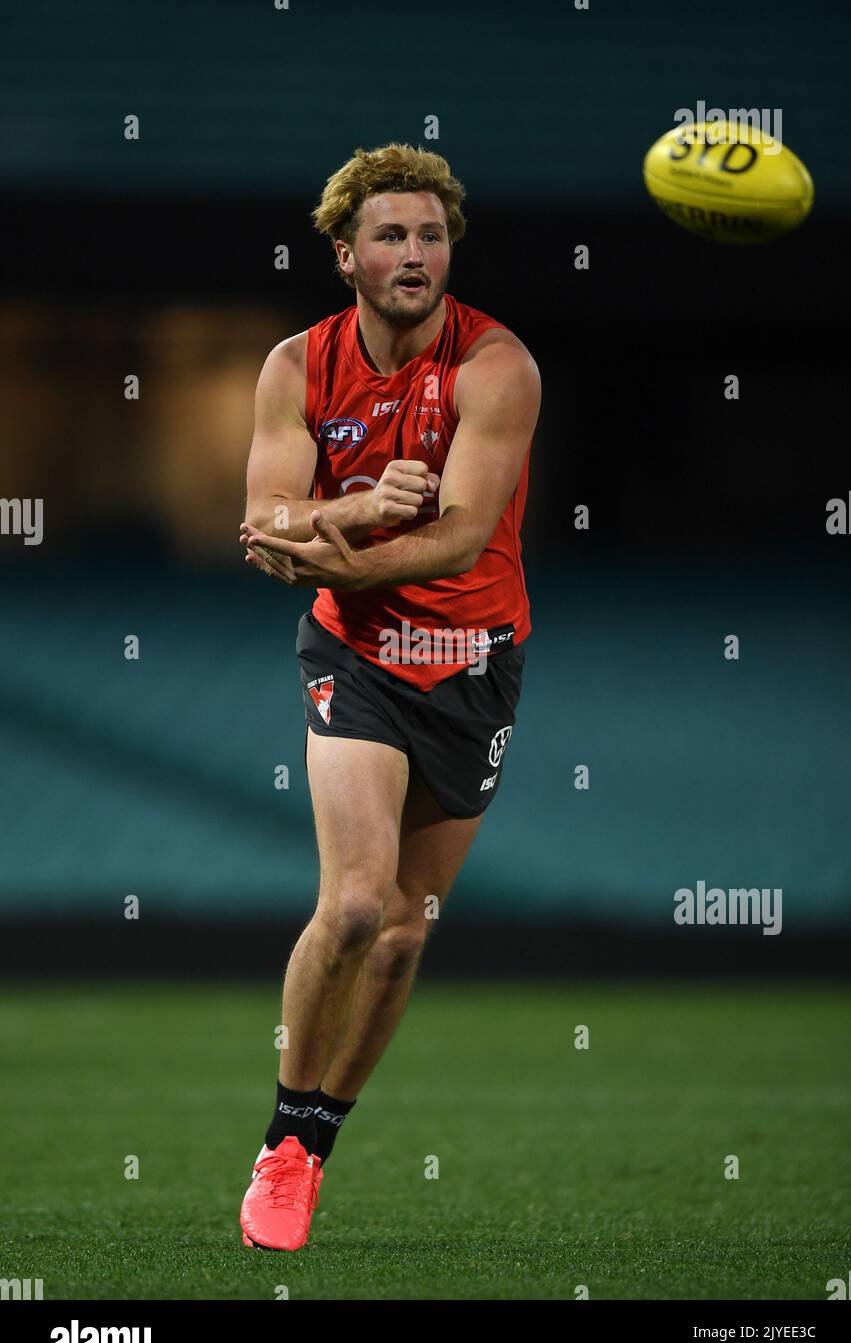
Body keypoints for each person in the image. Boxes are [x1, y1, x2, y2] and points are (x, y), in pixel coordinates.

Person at [238, 143, 540, 1251]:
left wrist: (328, 541)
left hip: (469, 661)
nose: (414, 253)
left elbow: (457, 532)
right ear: (343, 257)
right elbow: (262, 519)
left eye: (430, 235)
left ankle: (317, 1136)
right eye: (390, 236)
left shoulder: (495, 364)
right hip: (357, 656)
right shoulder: (295, 365)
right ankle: (279, 1144)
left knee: (407, 934)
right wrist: (352, 509)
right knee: (356, 904)